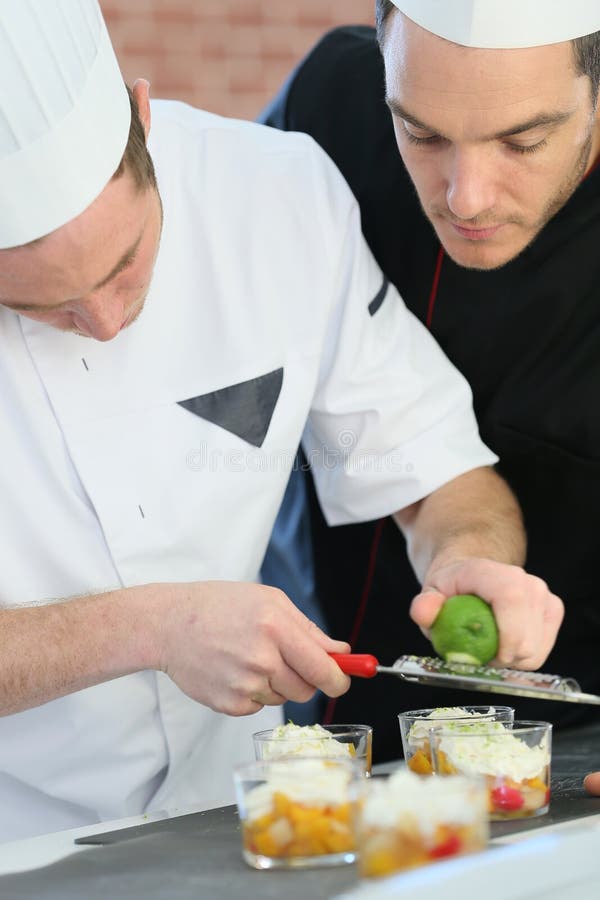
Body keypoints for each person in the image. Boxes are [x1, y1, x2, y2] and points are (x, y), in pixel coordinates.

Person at [0, 0, 561, 841]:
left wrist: (468, 560)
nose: (108, 322)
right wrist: (154, 627)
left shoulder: (275, 195)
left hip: (247, 820)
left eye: (126, 264)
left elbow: (433, 468)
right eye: (43, 306)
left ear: (145, 122)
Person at [260, 0, 600, 759]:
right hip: (324, 692)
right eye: (421, 133)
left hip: (574, 735)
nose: (464, 196)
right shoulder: (327, 104)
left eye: (524, 141)